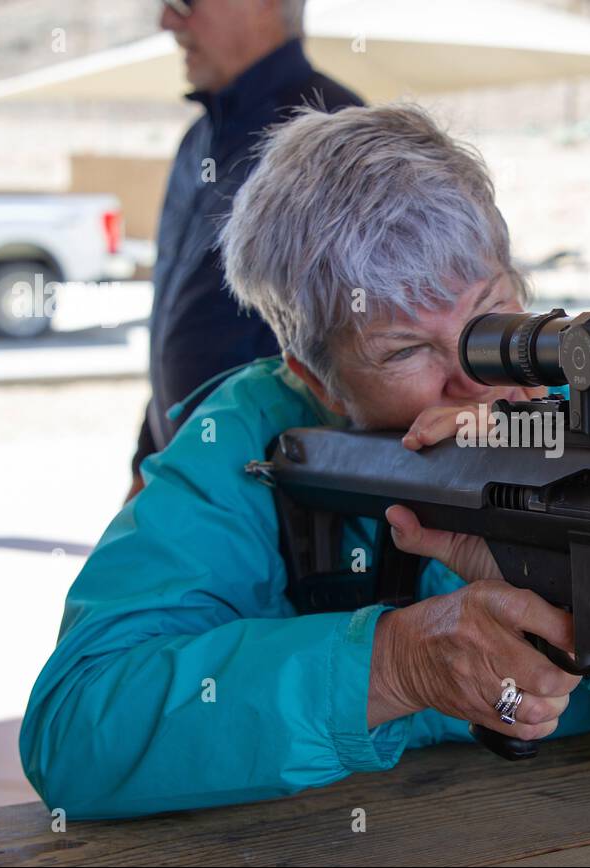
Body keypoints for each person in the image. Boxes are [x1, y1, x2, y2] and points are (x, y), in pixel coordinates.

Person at [19, 104, 590, 820]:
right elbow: (77, 729)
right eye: (404, 351)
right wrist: (393, 663)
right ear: (312, 376)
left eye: (494, 317)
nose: (474, 379)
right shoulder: (245, 444)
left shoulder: (583, 418)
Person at [128, 0, 363, 501]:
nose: (167, 21)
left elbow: (375, 338)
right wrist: (146, 460)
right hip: (190, 483)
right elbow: (179, 319)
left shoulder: (335, 135)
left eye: (183, 3)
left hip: (286, 506)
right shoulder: (197, 139)